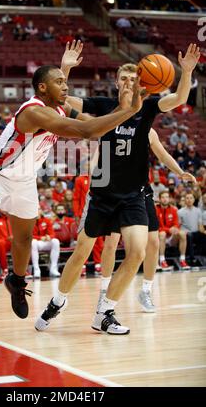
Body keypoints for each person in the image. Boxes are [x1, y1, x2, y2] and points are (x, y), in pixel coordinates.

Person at [0, 40, 145, 340]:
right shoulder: (34, 112)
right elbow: (87, 131)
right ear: (42, 89)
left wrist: (68, 71)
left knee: (23, 239)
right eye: (60, 82)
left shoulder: (54, 106)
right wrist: (130, 110)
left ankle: (16, 280)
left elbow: (86, 117)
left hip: (23, 180)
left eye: (66, 81)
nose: (66, 85)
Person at [35, 43, 200, 334]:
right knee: (82, 252)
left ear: (142, 82)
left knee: (137, 251)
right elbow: (58, 101)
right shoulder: (101, 105)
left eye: (132, 78)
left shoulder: (147, 108)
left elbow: (180, 97)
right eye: (123, 78)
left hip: (133, 193)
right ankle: (58, 301)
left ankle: (105, 312)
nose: (127, 82)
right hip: (102, 190)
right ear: (116, 82)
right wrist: (66, 69)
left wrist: (186, 71)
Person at [94, 128, 195, 316]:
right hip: (114, 191)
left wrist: (180, 173)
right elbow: (100, 157)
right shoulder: (111, 125)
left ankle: (146, 291)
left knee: (154, 242)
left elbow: (162, 154)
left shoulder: (148, 130)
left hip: (140, 191)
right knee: (111, 244)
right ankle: (104, 290)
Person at [31, 209, 61, 278]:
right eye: (35, 209)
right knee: (33, 242)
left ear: (41, 211)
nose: (37, 211)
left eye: (38, 209)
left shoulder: (47, 220)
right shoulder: (30, 222)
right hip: (37, 243)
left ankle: (53, 269)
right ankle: (36, 270)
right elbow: (29, 236)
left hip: (45, 242)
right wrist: (40, 238)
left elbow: (53, 234)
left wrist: (49, 237)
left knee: (55, 241)